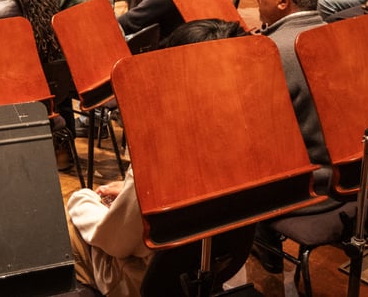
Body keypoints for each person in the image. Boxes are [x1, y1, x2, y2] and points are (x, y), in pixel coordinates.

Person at [66, 19, 250, 297]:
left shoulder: (164, 149)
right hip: (224, 271)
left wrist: (82, 201)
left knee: (72, 225)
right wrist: (130, 191)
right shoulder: (256, 134)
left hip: (161, 284)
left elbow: (115, 243)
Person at [251, 0, 338, 273]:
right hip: (357, 173)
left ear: (283, 1)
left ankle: (258, 237)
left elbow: (254, 133)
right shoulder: (337, 34)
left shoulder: (270, 52)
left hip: (308, 183)